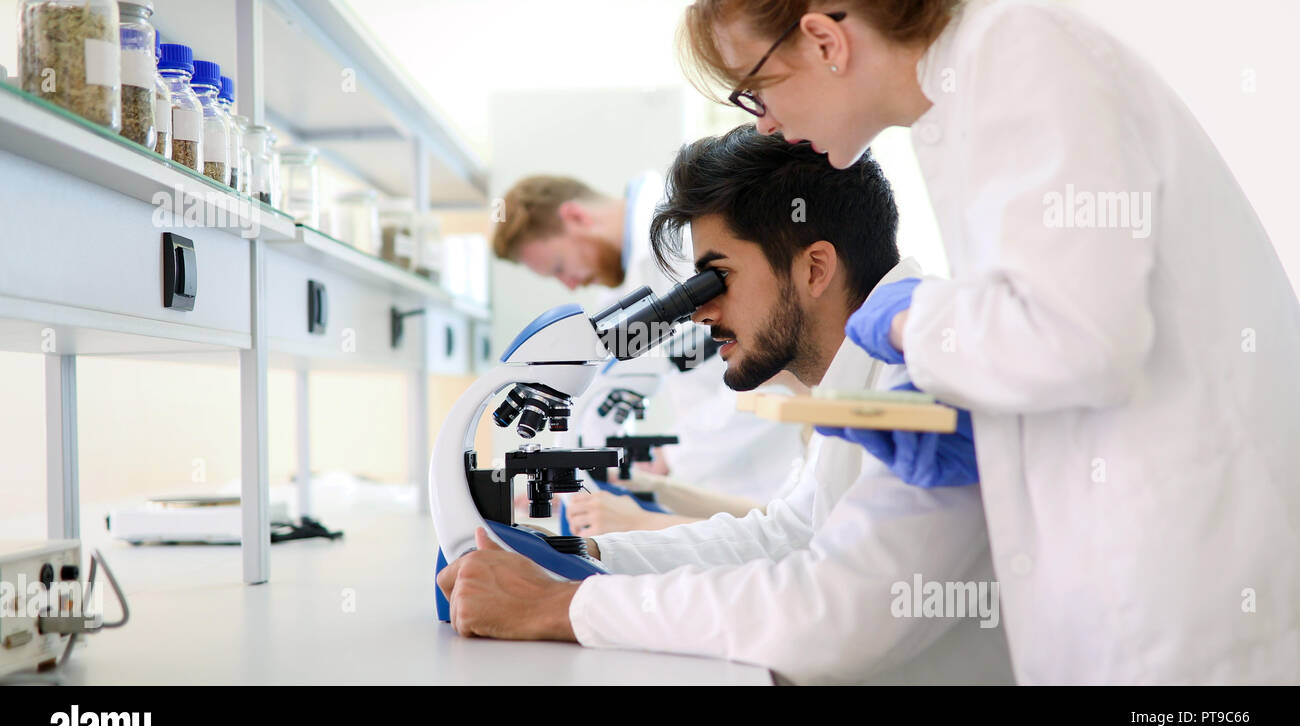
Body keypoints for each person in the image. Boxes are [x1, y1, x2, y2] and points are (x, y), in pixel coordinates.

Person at [679, 0, 1300, 683]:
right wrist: (966, 395)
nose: (764, 121)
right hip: (1126, 595)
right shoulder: (960, 101)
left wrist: (901, 322)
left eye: (753, 89)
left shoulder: (1016, 45)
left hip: (1189, 615)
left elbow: (1079, 336)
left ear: (825, 39)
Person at [439, 126, 1014, 685]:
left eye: (719, 278)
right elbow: (781, 536)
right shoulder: (857, 376)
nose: (699, 313)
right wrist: (583, 557)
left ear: (814, 268)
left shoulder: (920, 370)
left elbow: (834, 616)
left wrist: (563, 607)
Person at [492, 173, 806, 527]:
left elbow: (768, 369)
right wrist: (562, 479)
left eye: (561, 267)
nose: (571, 284)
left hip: (770, 475)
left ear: (576, 218)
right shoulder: (624, 284)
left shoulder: (684, 237)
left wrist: (673, 456)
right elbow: (605, 380)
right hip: (720, 486)